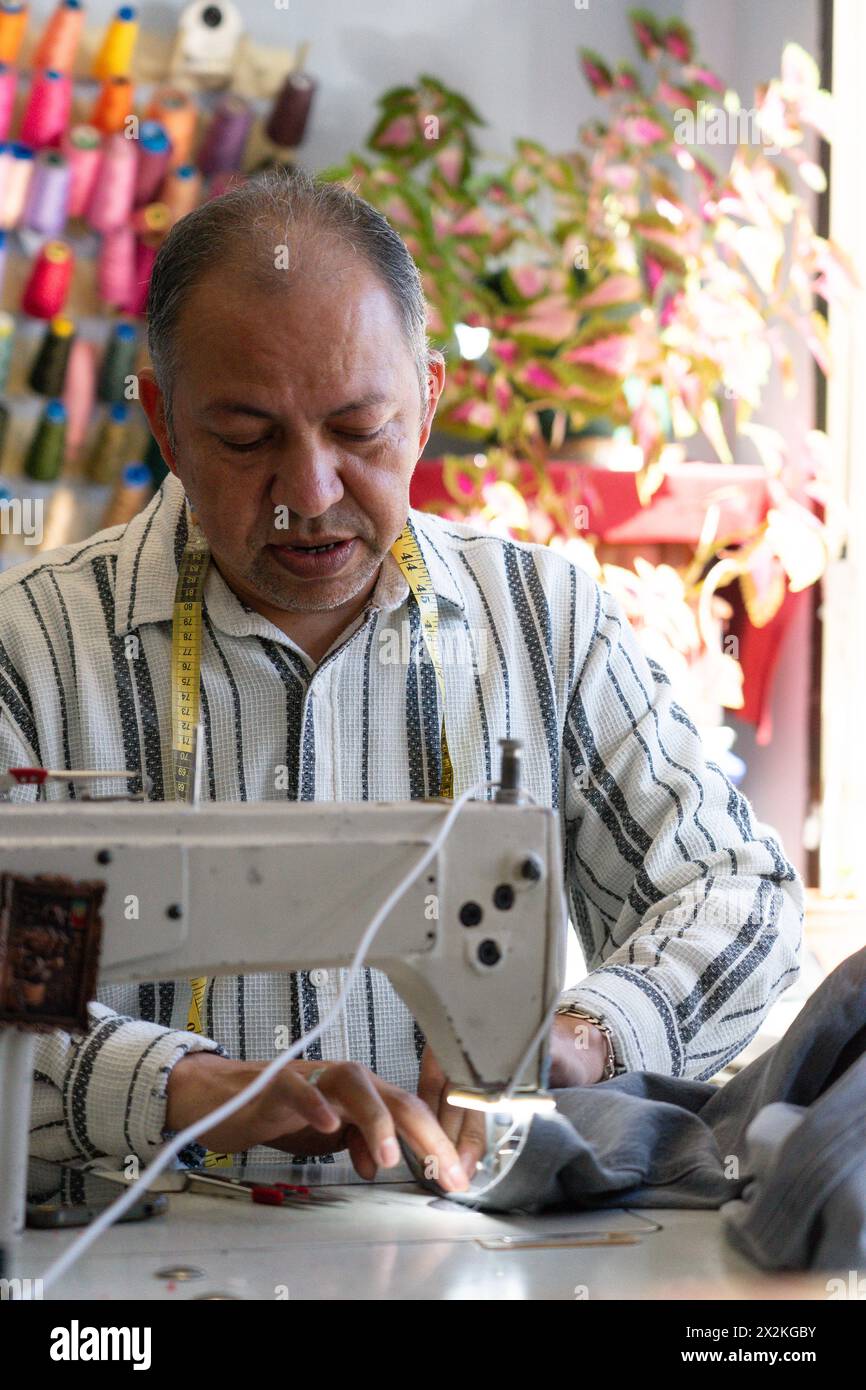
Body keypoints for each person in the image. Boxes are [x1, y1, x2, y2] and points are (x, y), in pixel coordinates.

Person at [0, 168, 802, 1192]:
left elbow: (739, 891)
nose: (308, 492)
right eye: (246, 439)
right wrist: (183, 1085)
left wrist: (585, 1038)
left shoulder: (546, 623)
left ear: (424, 402)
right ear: (162, 419)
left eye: (356, 429)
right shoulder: (30, 652)